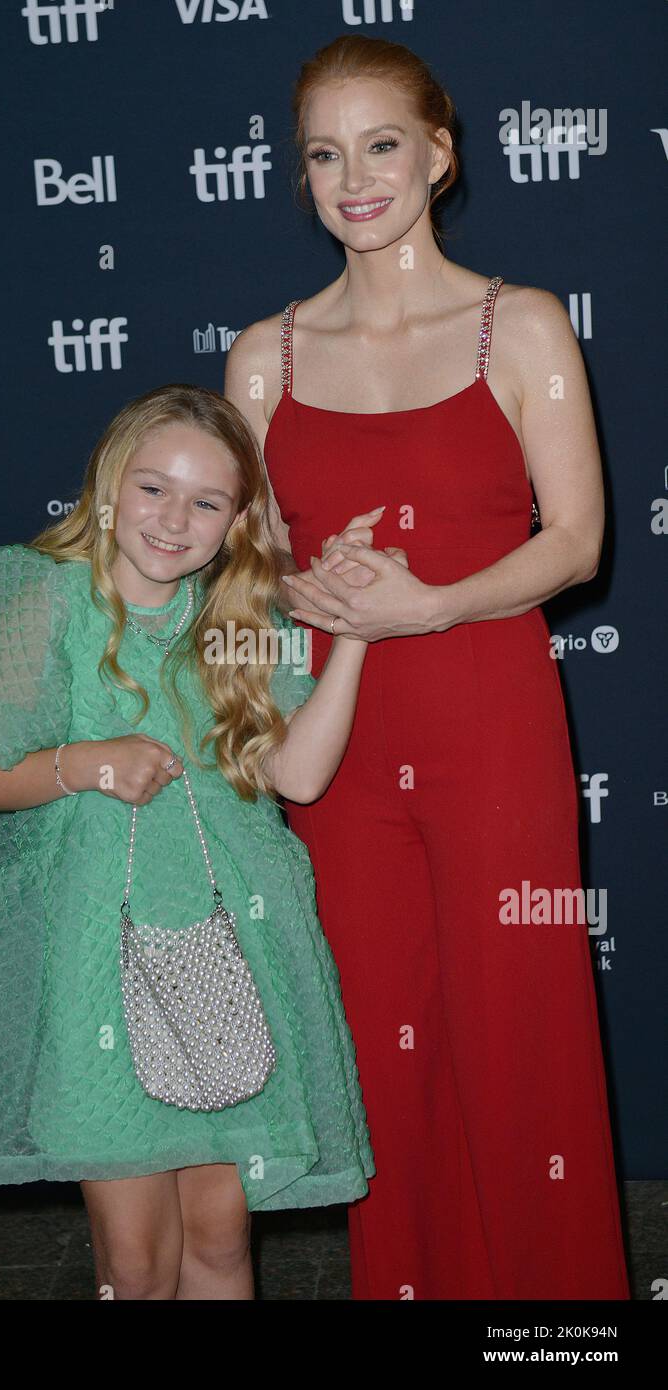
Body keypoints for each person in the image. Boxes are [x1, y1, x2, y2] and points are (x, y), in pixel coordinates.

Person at [225, 34, 630, 1299]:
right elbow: (240, 565)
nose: (354, 178)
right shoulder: (262, 358)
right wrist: (320, 588)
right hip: (336, 739)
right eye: (324, 155)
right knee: (378, 1048)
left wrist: (430, 603)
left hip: (490, 718)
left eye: (381, 144)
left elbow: (575, 541)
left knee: (520, 1035)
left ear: (439, 154)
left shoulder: (520, 326)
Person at [0, 383, 376, 1301]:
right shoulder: (33, 593)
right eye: (153, 489)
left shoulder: (238, 620)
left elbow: (299, 777)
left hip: (228, 956)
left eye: (206, 501)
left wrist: (349, 635)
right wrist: (86, 763)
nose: (172, 519)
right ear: (109, 488)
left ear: (236, 520)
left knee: (223, 1242)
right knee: (137, 1266)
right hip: (93, 966)